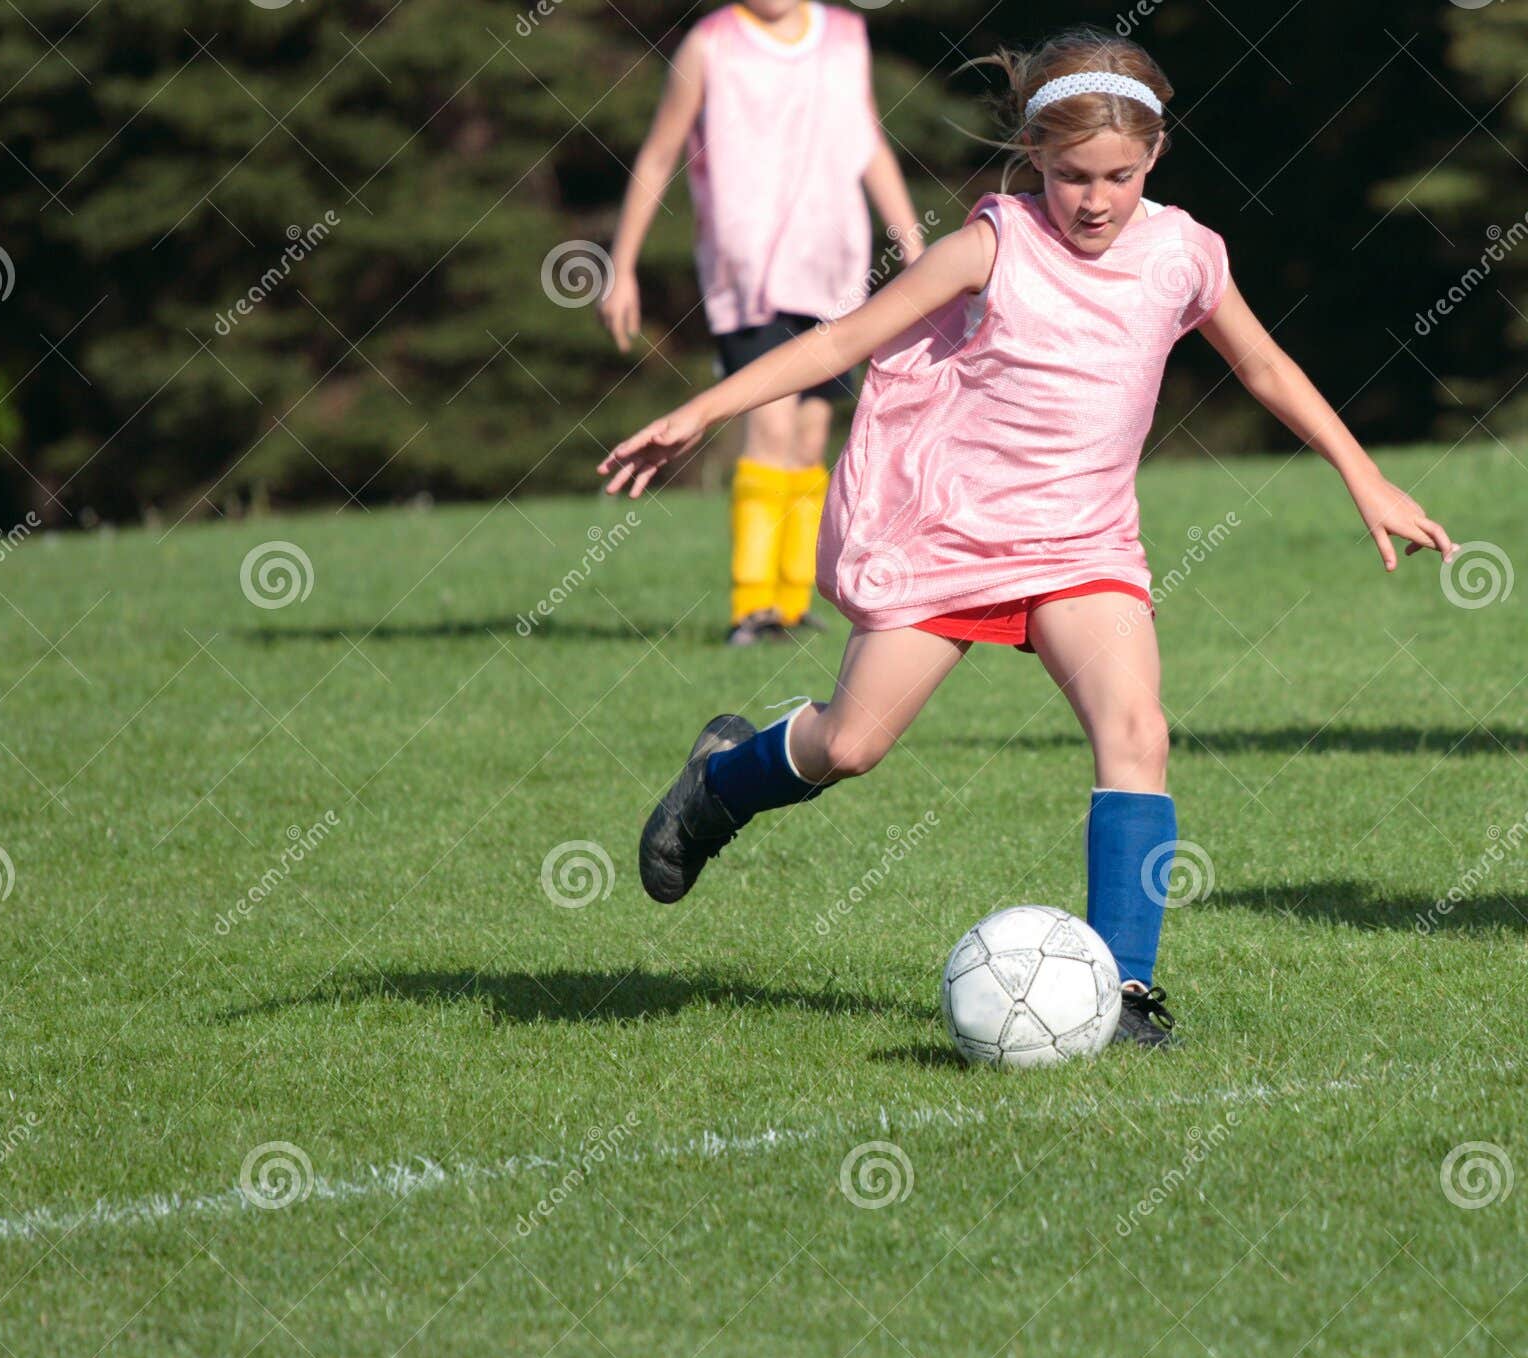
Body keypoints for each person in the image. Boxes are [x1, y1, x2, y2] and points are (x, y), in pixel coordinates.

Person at [597, 26, 1457, 1048]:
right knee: (853, 742)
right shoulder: (993, 245)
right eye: (1069, 175)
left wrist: (1363, 475)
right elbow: (838, 339)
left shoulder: (1182, 253)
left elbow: (1264, 368)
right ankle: (719, 784)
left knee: (1137, 732)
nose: (1093, 199)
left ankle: (1127, 991)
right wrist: (700, 413)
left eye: (1119, 175)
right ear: (1034, 159)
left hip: (1084, 548)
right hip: (950, 539)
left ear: (1156, 155)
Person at [600, 1, 924, 646]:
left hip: (834, 271)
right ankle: (751, 609)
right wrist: (622, 263)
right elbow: (660, 155)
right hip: (749, 278)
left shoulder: (844, 36)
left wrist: (914, 247)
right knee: (769, 429)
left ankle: (792, 602)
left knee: (809, 437)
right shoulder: (710, 46)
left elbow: (868, 147)